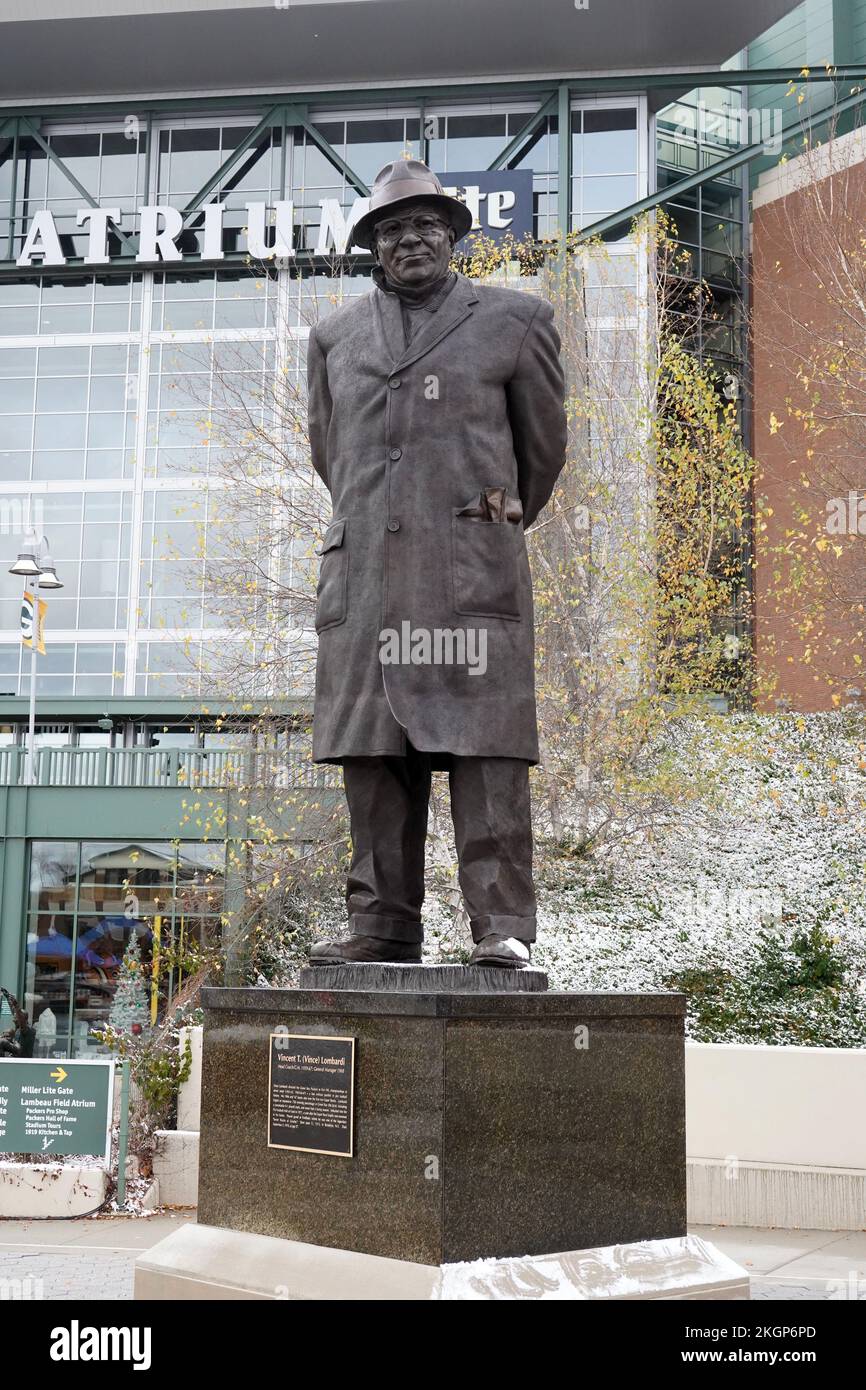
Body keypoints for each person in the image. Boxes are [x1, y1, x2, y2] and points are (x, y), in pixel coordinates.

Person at [306, 159, 567, 967]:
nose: (408, 239)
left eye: (424, 225)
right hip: (369, 583)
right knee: (374, 756)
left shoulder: (517, 322)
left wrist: (472, 526)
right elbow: (332, 456)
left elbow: (542, 454)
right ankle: (382, 925)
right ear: (373, 248)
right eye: (390, 230)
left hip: (469, 581)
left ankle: (504, 931)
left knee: (488, 754)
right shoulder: (334, 338)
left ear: (453, 236)